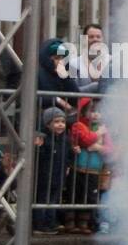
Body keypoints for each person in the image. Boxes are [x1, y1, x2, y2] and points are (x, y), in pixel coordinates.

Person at [67, 98, 111, 234]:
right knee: (74, 195)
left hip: (94, 170)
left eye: (99, 112)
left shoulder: (104, 129)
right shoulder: (79, 125)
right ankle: (70, 223)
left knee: (89, 197)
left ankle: (83, 223)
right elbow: (85, 139)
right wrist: (97, 134)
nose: (96, 115)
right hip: (78, 168)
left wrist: (98, 147)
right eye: (92, 111)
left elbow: (110, 149)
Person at [33, 107, 72, 235]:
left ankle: (50, 222)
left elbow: (67, 155)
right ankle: (39, 224)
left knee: (53, 200)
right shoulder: (44, 139)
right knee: (43, 199)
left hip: (58, 175)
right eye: (56, 122)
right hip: (45, 175)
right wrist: (38, 148)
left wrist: (69, 163)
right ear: (48, 124)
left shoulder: (65, 139)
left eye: (62, 121)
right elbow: (40, 157)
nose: (60, 124)